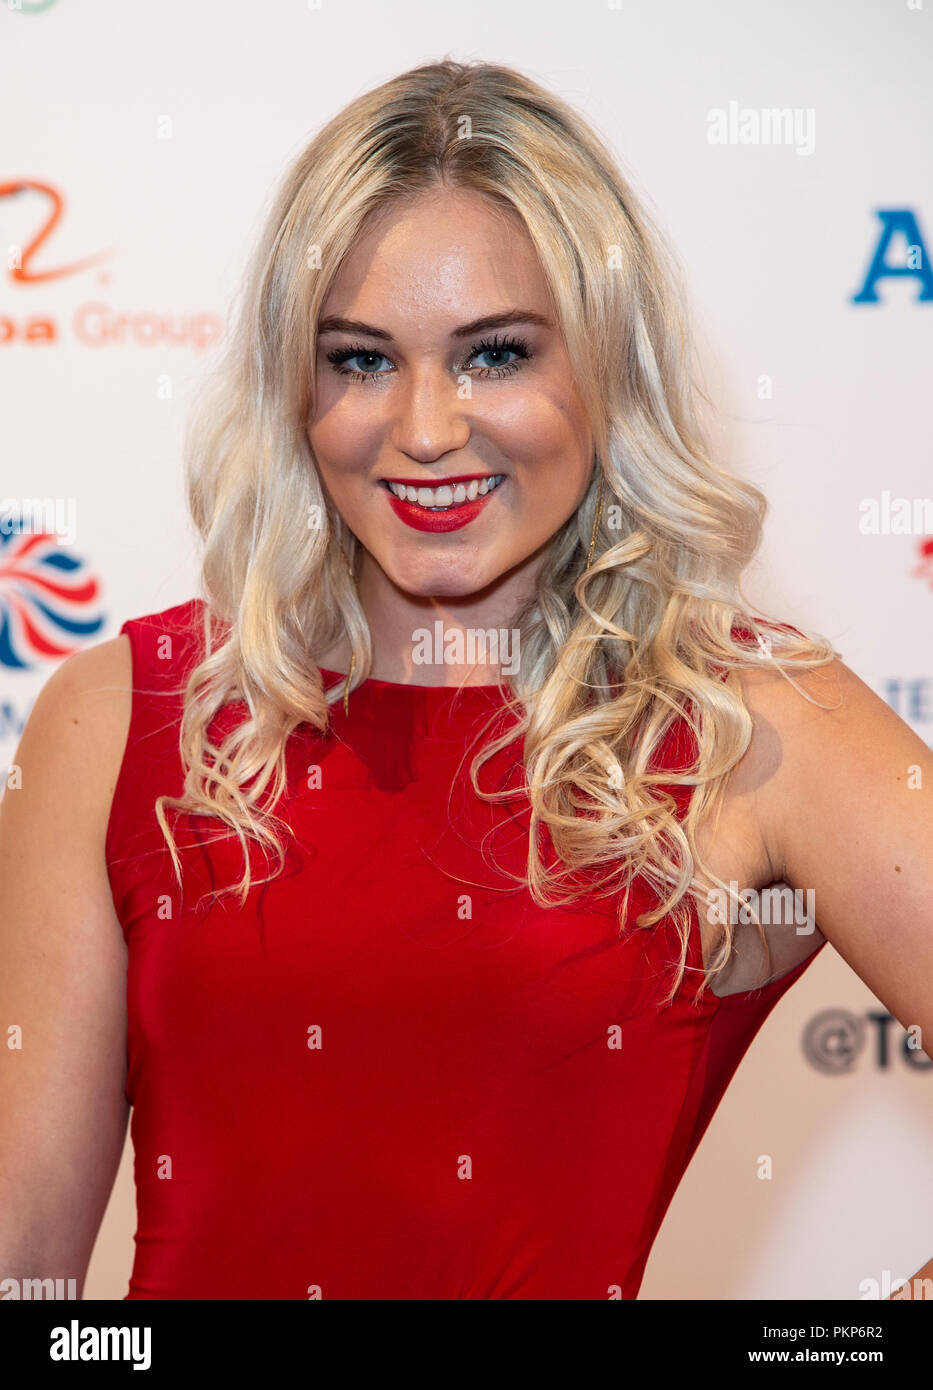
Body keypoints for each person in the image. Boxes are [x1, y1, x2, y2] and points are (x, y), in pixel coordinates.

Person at [2, 58, 931, 1302]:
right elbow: (23, 1278)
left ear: (607, 366)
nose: (428, 427)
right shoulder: (125, 714)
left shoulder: (749, 720)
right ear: (296, 384)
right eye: (362, 359)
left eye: (495, 355)